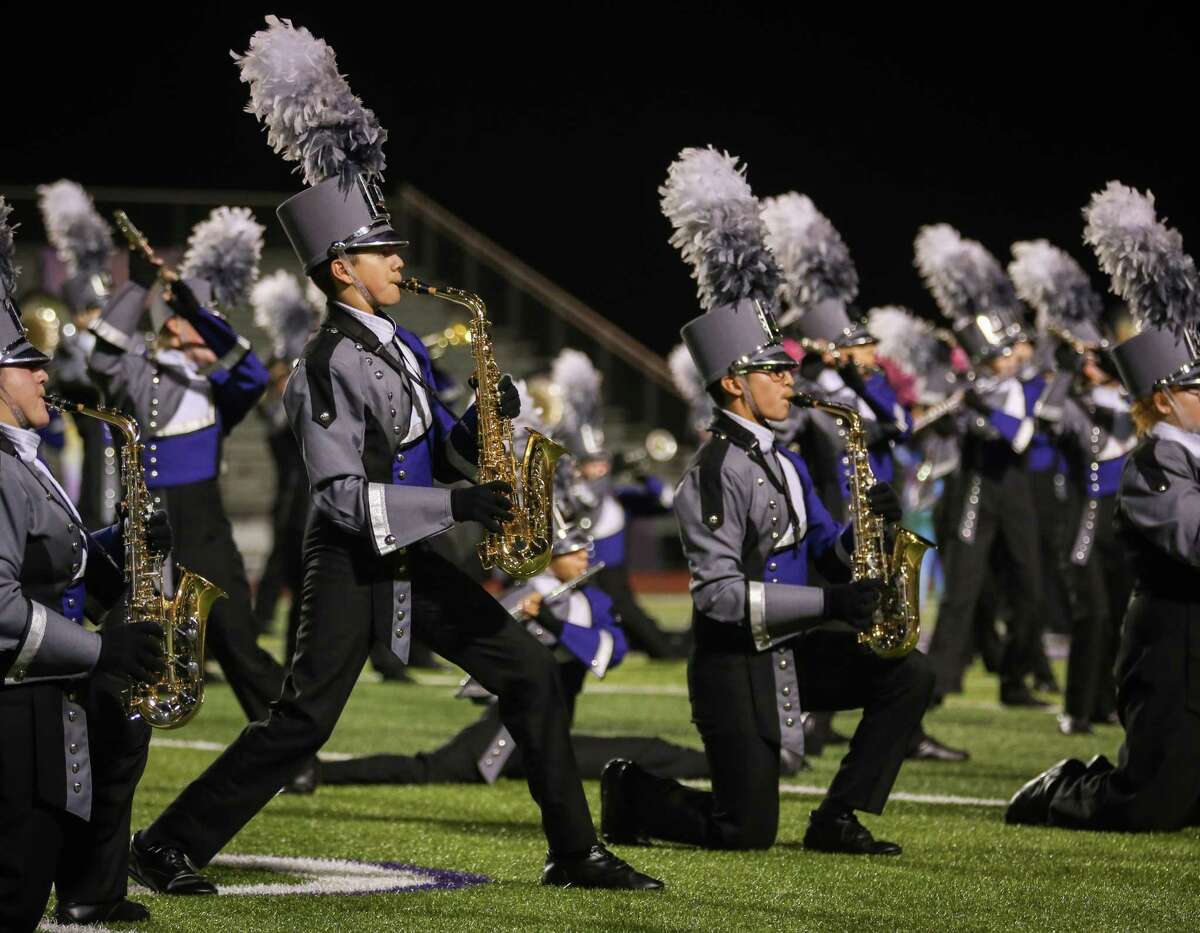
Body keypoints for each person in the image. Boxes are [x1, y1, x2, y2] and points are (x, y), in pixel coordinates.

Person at [129, 15, 661, 894]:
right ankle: (167, 844)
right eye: (382, 250)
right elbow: (340, 494)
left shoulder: (404, 348)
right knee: (303, 720)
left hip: (412, 552)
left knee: (529, 673)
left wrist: (480, 427)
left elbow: (433, 455)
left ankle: (574, 851)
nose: (399, 259)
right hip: (351, 562)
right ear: (341, 268)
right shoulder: (330, 358)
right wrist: (460, 508)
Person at [604, 148, 933, 854]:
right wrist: (830, 605)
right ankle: (630, 788)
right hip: (735, 665)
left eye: (787, 369)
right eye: (772, 371)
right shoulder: (714, 468)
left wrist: (861, 539)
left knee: (910, 674)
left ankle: (839, 815)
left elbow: (819, 545)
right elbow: (720, 597)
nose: (789, 381)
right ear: (732, 385)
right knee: (743, 831)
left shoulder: (782, 458)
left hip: (792, 651)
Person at [1006, 182, 1200, 831]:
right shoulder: (1150, 466)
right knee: (1150, 805)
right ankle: (1062, 785)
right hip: (1171, 660)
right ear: (1165, 399)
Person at [0, 199, 171, 929]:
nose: (45, 374)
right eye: (27, 364)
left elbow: (54, 559)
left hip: (45, 705)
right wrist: (102, 647)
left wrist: (121, 534)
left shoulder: (24, 462)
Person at [87, 208, 288, 729]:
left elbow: (248, 371)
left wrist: (199, 313)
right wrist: (140, 286)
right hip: (142, 525)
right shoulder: (136, 369)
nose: (208, 336)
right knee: (130, 636)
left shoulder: (218, 389)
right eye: (197, 323)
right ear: (171, 323)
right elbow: (101, 356)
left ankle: (281, 741)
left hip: (202, 528)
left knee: (235, 640)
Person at [320, 523, 708, 787]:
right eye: (572, 552)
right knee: (428, 769)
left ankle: (742, 766)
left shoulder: (588, 602)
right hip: (507, 735)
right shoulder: (523, 597)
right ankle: (318, 772)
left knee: (650, 753)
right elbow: (478, 674)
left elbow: (612, 653)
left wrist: (555, 625)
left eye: (583, 550)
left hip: (547, 733)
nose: (583, 558)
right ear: (548, 555)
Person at [914, 224, 1045, 706]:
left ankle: (1016, 679)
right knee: (963, 588)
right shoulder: (964, 389)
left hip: (1012, 488)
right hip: (973, 487)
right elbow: (930, 434)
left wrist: (980, 406)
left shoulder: (1023, 387)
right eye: (998, 355)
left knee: (1029, 587)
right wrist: (947, 415)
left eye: (1006, 353)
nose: (1008, 360)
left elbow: (1020, 435)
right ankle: (940, 681)